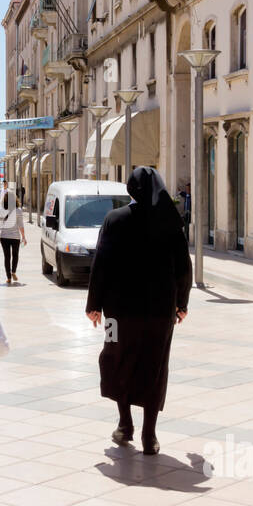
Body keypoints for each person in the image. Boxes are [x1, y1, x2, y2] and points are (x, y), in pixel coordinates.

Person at [86, 167, 192, 456]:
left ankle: (125, 424)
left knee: (116, 359)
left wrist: (93, 305)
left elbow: (101, 265)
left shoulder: (114, 219)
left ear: (129, 190)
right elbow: (184, 267)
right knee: (154, 367)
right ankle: (149, 435)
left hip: (117, 313)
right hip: (160, 313)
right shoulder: (170, 221)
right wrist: (181, 303)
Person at [0, 184, 26, 284]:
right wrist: (24, 237)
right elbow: (21, 225)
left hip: (4, 236)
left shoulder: (1, 211)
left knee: (7, 257)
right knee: (15, 255)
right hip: (15, 237)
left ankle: (8, 277)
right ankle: (13, 272)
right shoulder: (18, 210)